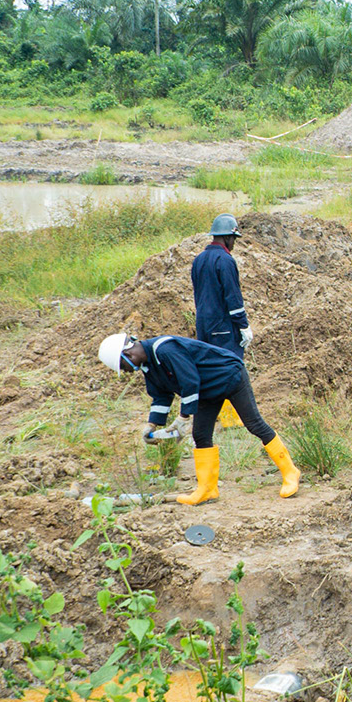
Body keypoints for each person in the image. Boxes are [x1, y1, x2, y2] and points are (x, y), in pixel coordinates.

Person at [97, 332, 300, 504]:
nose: (128, 372)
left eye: (124, 367)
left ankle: (290, 472)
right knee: (201, 435)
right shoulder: (148, 366)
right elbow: (161, 395)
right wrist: (152, 424)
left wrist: (183, 418)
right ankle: (207, 489)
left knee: (254, 424)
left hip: (229, 376)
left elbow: (190, 381)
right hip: (207, 390)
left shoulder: (164, 350)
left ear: (128, 354)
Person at [192, 213, 252, 428]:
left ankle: (213, 414)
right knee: (231, 367)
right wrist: (243, 325)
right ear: (227, 237)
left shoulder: (198, 260)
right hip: (223, 327)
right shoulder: (225, 260)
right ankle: (230, 418)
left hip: (204, 326)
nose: (234, 243)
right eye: (233, 239)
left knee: (209, 368)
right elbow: (233, 298)